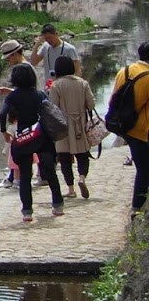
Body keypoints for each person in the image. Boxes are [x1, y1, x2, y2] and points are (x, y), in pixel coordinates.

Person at [0, 62, 64, 222]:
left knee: (25, 176)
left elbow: (3, 114)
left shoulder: (13, 96)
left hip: (22, 138)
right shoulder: (39, 94)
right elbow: (51, 111)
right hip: (41, 135)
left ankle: (27, 211)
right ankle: (57, 205)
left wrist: (4, 132)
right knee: (50, 171)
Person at [109, 41, 149, 217]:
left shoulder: (124, 71)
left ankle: (139, 207)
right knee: (144, 170)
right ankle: (137, 208)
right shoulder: (148, 77)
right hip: (143, 130)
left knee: (142, 167)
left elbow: (113, 99)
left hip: (126, 128)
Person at [48, 55, 94, 198]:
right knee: (83, 155)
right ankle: (82, 177)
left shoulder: (56, 85)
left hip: (63, 127)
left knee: (64, 158)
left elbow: (53, 107)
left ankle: (71, 189)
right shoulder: (83, 83)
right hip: (80, 125)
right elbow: (91, 104)